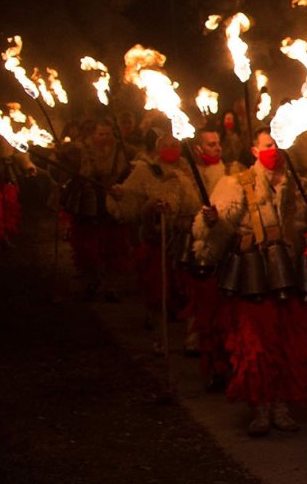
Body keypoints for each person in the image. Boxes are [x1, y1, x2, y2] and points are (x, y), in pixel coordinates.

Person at [193, 128, 307, 436]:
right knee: (257, 345)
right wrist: (213, 221)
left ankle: (281, 404)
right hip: (254, 275)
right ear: (254, 150)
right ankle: (260, 407)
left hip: (289, 273)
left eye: (277, 143)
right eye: (267, 145)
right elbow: (211, 229)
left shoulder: (297, 185)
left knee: (286, 340)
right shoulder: (236, 184)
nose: (273, 150)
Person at [108, 133, 204, 345]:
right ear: (157, 148)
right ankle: (160, 336)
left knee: (187, 290)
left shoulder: (190, 170)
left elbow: (201, 201)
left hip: (185, 239)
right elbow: (130, 197)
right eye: (166, 145)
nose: (171, 148)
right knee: (157, 290)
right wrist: (121, 194)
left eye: (174, 145)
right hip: (157, 239)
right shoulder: (145, 171)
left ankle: (192, 336)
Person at [179, 126, 238, 386]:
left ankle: (227, 363)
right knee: (203, 307)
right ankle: (211, 362)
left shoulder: (230, 175)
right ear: (198, 149)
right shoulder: (186, 177)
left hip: (226, 249)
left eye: (218, 143)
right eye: (211, 144)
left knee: (225, 310)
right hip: (198, 246)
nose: (217, 148)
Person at [60, 117, 135, 300]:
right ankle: (91, 280)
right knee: (87, 244)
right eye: (100, 134)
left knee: (115, 244)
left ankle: (110, 286)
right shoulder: (79, 149)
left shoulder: (125, 150)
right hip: (88, 201)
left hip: (114, 198)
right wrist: (62, 154)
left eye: (108, 134)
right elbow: (63, 167)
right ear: (93, 134)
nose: (104, 138)